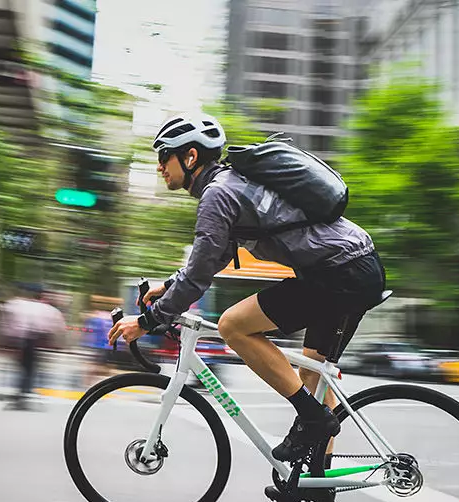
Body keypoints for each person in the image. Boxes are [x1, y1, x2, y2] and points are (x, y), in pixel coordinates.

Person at [108, 112, 385, 465]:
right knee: (313, 374)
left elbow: (198, 276)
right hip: (354, 266)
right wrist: (168, 286)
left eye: (165, 155)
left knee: (233, 325)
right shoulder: (232, 185)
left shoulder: (217, 194)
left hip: (338, 272)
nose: (160, 165)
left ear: (190, 157)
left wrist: (147, 322)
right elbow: (213, 259)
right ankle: (318, 473)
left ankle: (312, 419)